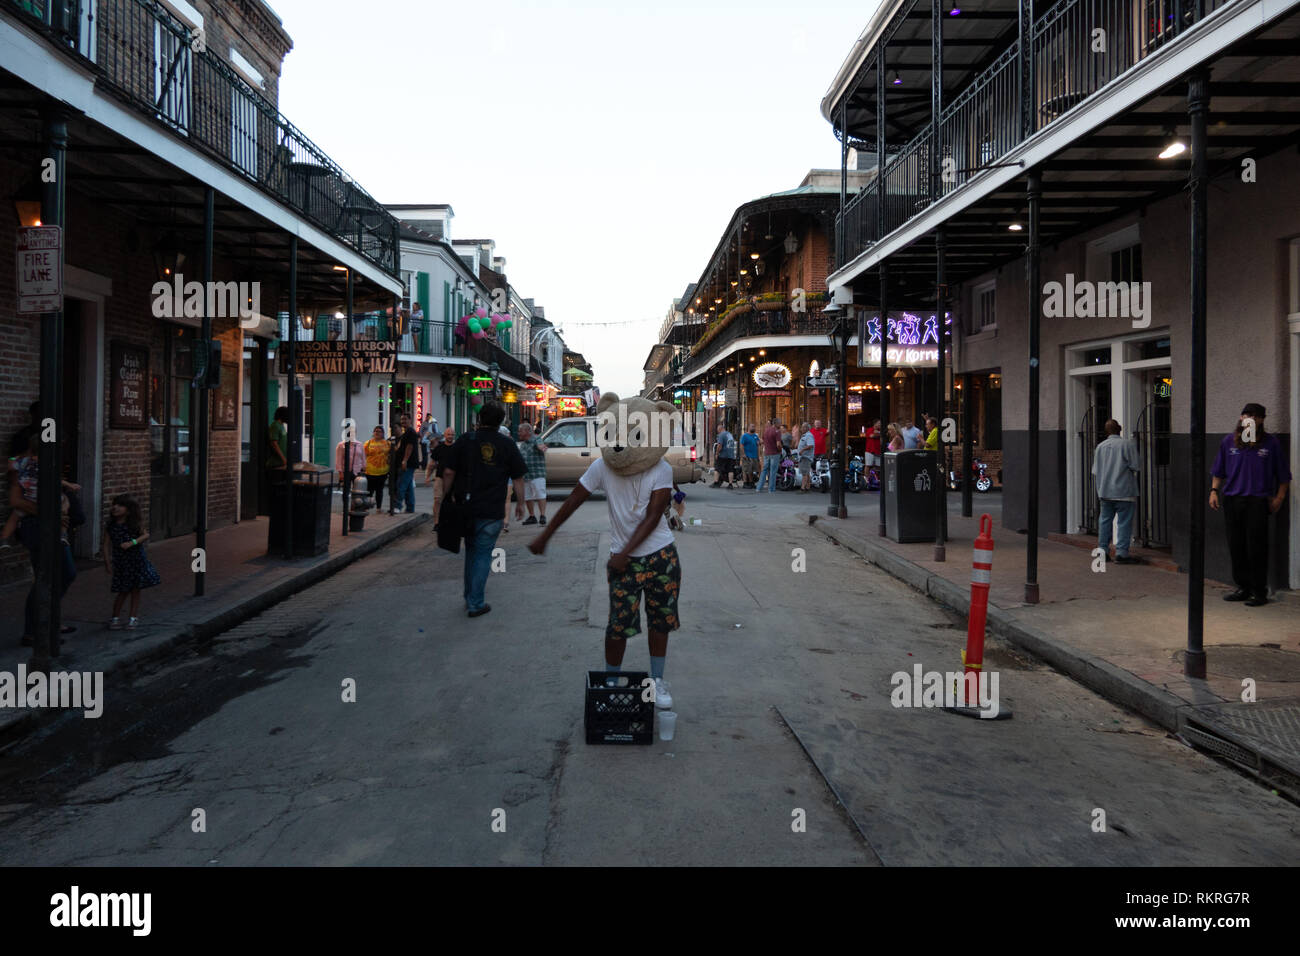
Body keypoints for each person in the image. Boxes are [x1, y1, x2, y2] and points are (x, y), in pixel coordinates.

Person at [529, 392, 680, 710]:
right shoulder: (603, 467)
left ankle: (657, 681)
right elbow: (573, 500)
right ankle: (611, 684)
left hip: (659, 555)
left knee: (659, 622)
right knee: (618, 625)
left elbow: (654, 517)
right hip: (622, 559)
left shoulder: (661, 469)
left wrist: (624, 553)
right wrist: (547, 534)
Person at [441, 402, 525, 617]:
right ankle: (475, 602)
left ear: (480, 420)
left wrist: (446, 495)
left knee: (471, 551)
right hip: (492, 508)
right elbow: (518, 477)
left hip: (466, 507)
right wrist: (521, 504)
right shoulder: (506, 444)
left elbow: (448, 471)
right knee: (483, 554)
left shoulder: (466, 440)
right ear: (501, 422)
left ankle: (470, 596)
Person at [1210, 403, 1291, 606]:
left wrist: (1279, 498)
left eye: (1255, 416)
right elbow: (1219, 470)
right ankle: (1243, 587)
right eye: (1247, 415)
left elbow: (1283, 475)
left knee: (1256, 547)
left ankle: (1259, 592)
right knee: (1236, 545)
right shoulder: (1229, 442)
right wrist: (1214, 491)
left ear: (1262, 419)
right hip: (1233, 500)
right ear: (1240, 417)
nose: (1250, 419)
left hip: (1257, 501)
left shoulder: (1270, 444)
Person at [9, 435, 79, 647]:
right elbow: (16, 500)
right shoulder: (25, 466)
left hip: (52, 527)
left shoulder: (45, 465)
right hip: (39, 527)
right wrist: (52, 513)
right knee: (51, 576)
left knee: (61, 575)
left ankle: (49, 621)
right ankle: (34, 629)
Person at [103, 494, 160, 630]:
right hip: (121, 562)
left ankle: (133, 618)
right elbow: (105, 544)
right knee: (123, 590)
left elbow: (145, 535)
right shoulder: (111, 525)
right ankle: (115, 618)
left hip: (136, 560)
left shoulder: (133, 524)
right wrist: (107, 562)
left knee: (135, 590)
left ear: (128, 510)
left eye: (120, 505)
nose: (115, 507)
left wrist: (132, 542)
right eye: (114, 504)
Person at [1092, 419, 1141, 565]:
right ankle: (1121, 553)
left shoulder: (1100, 447)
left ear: (1107, 431)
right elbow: (1136, 466)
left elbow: (1095, 470)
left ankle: (1103, 551)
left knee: (1105, 521)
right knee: (1124, 523)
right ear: (1119, 429)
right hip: (1124, 490)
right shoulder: (1127, 445)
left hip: (1105, 490)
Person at [517, 421, 549, 525]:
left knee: (540, 494)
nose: (518, 433)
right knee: (528, 496)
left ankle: (542, 515)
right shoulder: (523, 445)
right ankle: (532, 516)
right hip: (526, 475)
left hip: (537, 473)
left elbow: (540, 445)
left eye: (520, 431)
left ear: (527, 431)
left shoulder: (536, 439)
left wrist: (542, 447)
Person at [429, 426, 457, 524]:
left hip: (454, 479)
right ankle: (436, 522)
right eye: (448, 434)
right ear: (444, 435)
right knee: (437, 500)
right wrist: (428, 476)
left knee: (454, 500)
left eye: (452, 434)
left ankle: (452, 521)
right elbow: (432, 463)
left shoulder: (457, 448)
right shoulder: (439, 448)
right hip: (440, 477)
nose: (450, 436)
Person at [394, 413, 420, 514]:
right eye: (402, 420)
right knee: (408, 487)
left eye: (405, 419)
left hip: (408, 463)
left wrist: (404, 460)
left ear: (410, 420)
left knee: (401, 485)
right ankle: (410, 508)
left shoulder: (411, 432)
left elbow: (410, 447)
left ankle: (398, 506)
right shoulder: (407, 432)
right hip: (408, 463)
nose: (403, 422)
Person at [363, 425, 390, 513]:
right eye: (376, 431)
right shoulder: (368, 443)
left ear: (383, 433)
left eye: (379, 431)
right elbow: (364, 456)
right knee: (369, 490)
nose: (377, 433)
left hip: (383, 471)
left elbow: (391, 454)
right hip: (370, 471)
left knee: (379, 490)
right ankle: (367, 507)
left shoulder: (387, 443)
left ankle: (379, 508)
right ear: (373, 433)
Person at [335, 431, 365, 504]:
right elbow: (338, 459)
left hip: (357, 470)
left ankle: (354, 505)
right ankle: (345, 507)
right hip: (346, 470)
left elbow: (363, 457)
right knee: (346, 490)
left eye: (353, 432)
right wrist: (340, 473)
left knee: (357, 490)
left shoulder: (359, 444)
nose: (351, 434)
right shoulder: (341, 445)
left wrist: (364, 468)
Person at [758, 418, 782, 494]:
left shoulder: (766, 430)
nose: (780, 425)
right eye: (780, 423)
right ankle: (771, 489)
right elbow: (778, 444)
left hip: (766, 453)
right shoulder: (777, 431)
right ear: (776, 423)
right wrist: (780, 450)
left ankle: (759, 488)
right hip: (774, 453)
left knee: (764, 470)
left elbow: (761, 441)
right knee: (773, 471)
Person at [712, 423, 737, 489]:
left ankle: (716, 483)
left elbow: (719, 445)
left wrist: (717, 454)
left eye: (718, 431)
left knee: (717, 468)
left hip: (723, 455)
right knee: (730, 470)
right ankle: (730, 484)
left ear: (720, 429)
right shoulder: (730, 434)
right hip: (731, 455)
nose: (718, 432)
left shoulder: (721, 435)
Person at [267, 406, 289, 471]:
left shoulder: (282, 426)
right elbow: (274, 444)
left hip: (282, 462)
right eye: (287, 415)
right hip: (275, 463)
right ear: (283, 415)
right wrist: (283, 458)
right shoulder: (275, 425)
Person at [797, 421, 816, 493]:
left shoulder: (808, 436)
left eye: (802, 427)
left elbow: (811, 445)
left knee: (804, 473)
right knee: (807, 473)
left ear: (806, 428)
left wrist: (802, 450)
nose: (801, 428)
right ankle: (808, 487)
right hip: (804, 457)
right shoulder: (805, 435)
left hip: (805, 457)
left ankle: (802, 488)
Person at [739, 424, 760, 488]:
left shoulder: (755, 436)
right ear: (748, 428)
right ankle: (745, 483)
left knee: (752, 470)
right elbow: (741, 445)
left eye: (754, 426)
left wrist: (758, 456)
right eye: (752, 426)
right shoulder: (744, 436)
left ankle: (751, 483)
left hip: (754, 456)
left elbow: (758, 444)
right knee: (745, 470)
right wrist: (743, 454)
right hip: (747, 456)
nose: (753, 427)